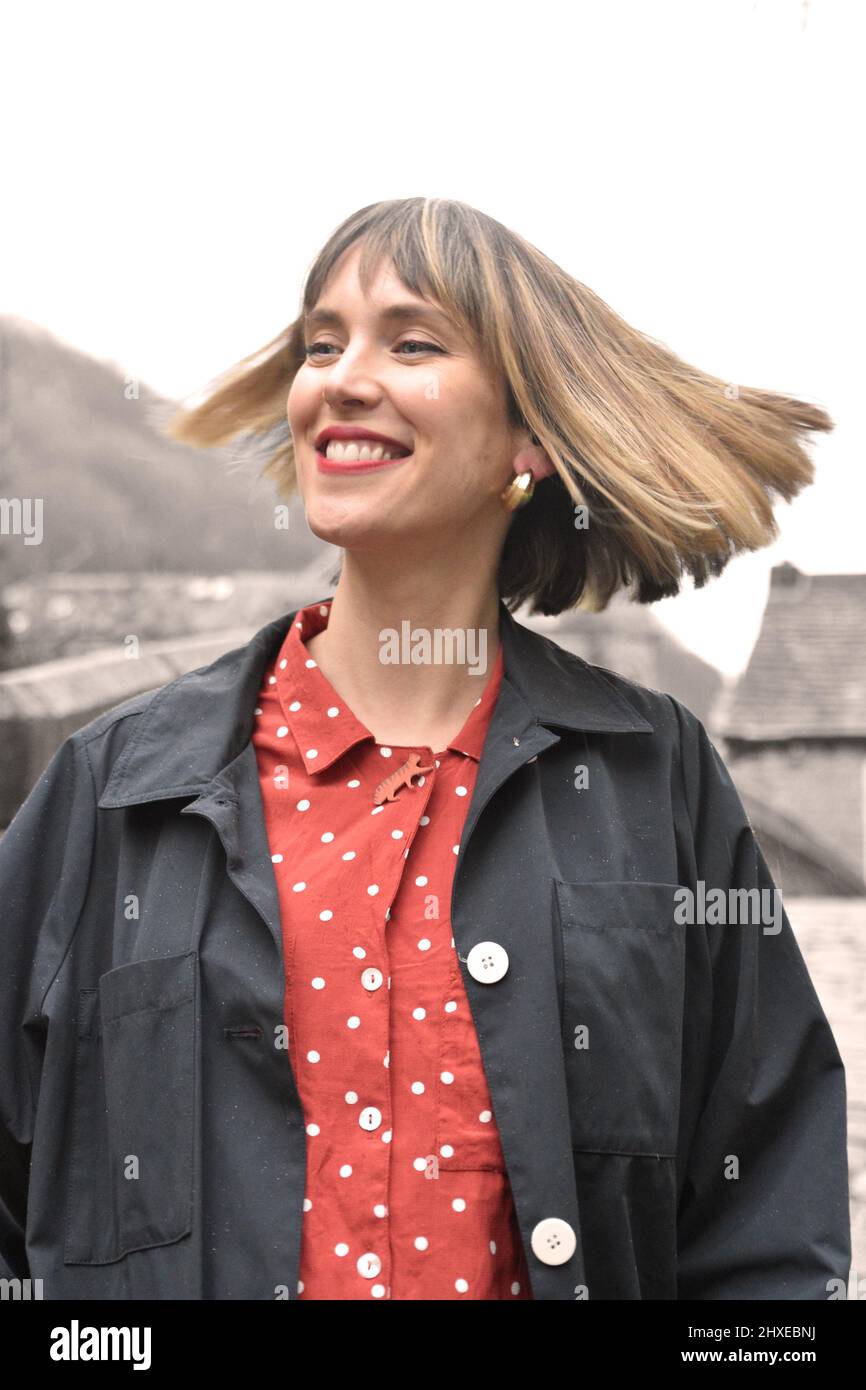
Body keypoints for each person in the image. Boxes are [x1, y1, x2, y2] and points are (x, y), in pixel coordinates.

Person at [0, 198, 850, 1300]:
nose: (340, 378)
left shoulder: (653, 776)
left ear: (527, 439)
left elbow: (761, 1228)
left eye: (410, 341)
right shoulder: (113, 791)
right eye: (320, 343)